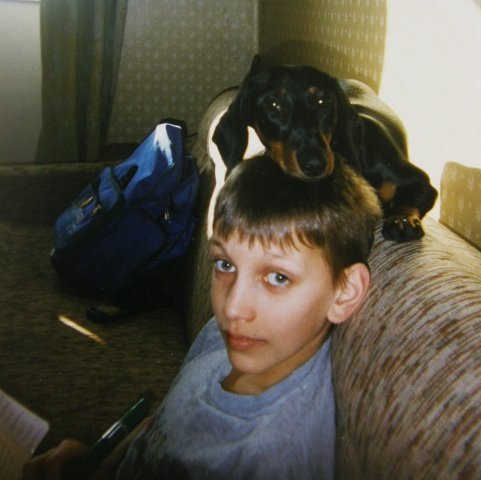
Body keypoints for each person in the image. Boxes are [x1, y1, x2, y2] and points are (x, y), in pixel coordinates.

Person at [23, 155, 381, 480]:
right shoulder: (232, 337)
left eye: (277, 277)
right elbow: (161, 423)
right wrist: (100, 465)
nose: (232, 308)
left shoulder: (269, 460)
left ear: (345, 291)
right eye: (225, 264)